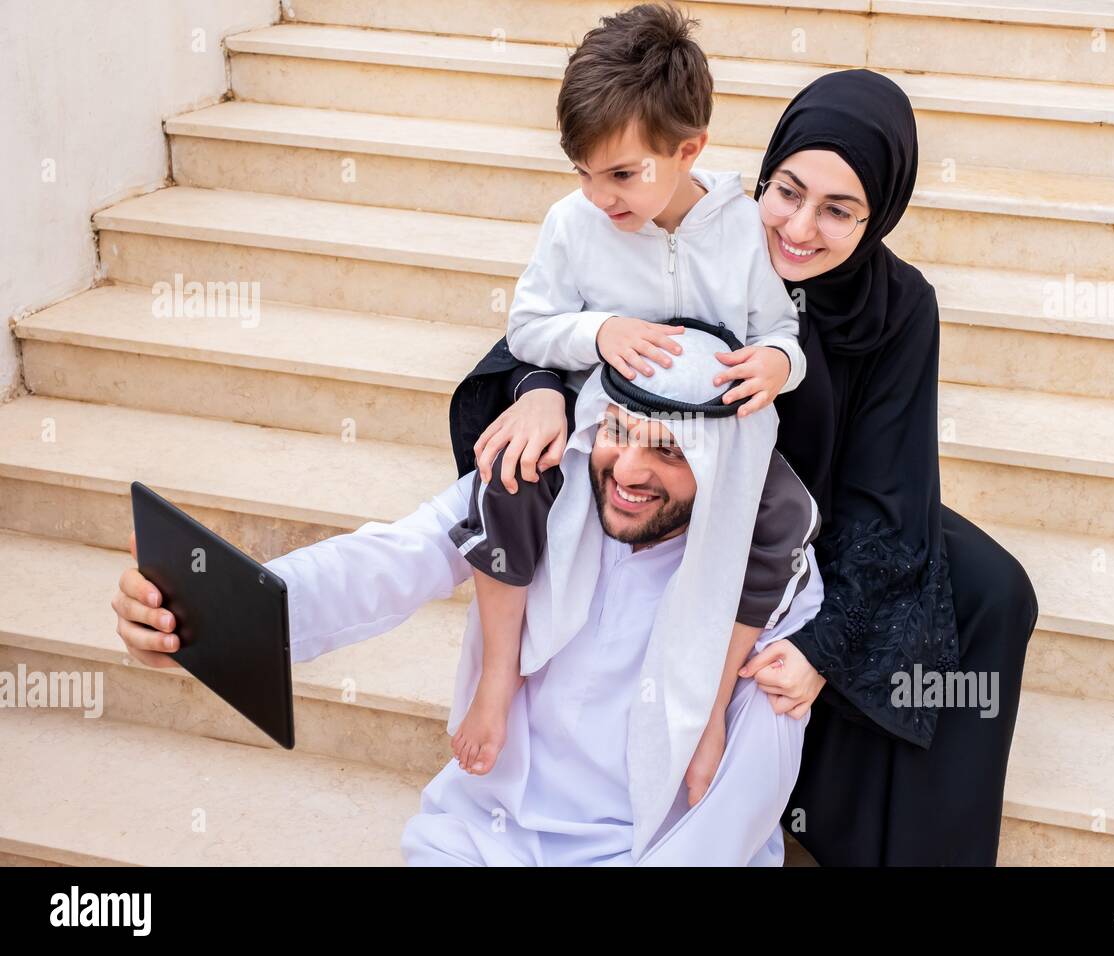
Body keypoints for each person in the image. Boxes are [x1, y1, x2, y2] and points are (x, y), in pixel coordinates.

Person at [452, 69, 1041, 866]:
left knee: (992, 591)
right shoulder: (700, 240)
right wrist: (537, 389)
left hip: (828, 501)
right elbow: (574, 337)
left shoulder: (898, 305)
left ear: (881, 213)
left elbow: (888, 479)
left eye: (839, 210)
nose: (800, 227)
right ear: (763, 177)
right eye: (788, 192)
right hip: (689, 495)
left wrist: (826, 647)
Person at [109, 324, 825, 866]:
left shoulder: (772, 589)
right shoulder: (541, 486)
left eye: (668, 451)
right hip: (488, 834)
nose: (629, 470)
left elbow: (739, 806)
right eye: (617, 433)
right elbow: (392, 557)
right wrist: (223, 618)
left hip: (650, 847)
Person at [447, 2, 818, 793]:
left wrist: (780, 364)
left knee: (784, 515)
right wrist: (599, 330)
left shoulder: (741, 227)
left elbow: (782, 325)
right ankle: (499, 673)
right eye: (583, 172)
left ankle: (709, 708)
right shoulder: (573, 225)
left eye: (621, 175)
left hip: (715, 435)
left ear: (689, 152)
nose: (598, 195)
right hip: (605, 420)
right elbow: (528, 328)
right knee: (508, 475)